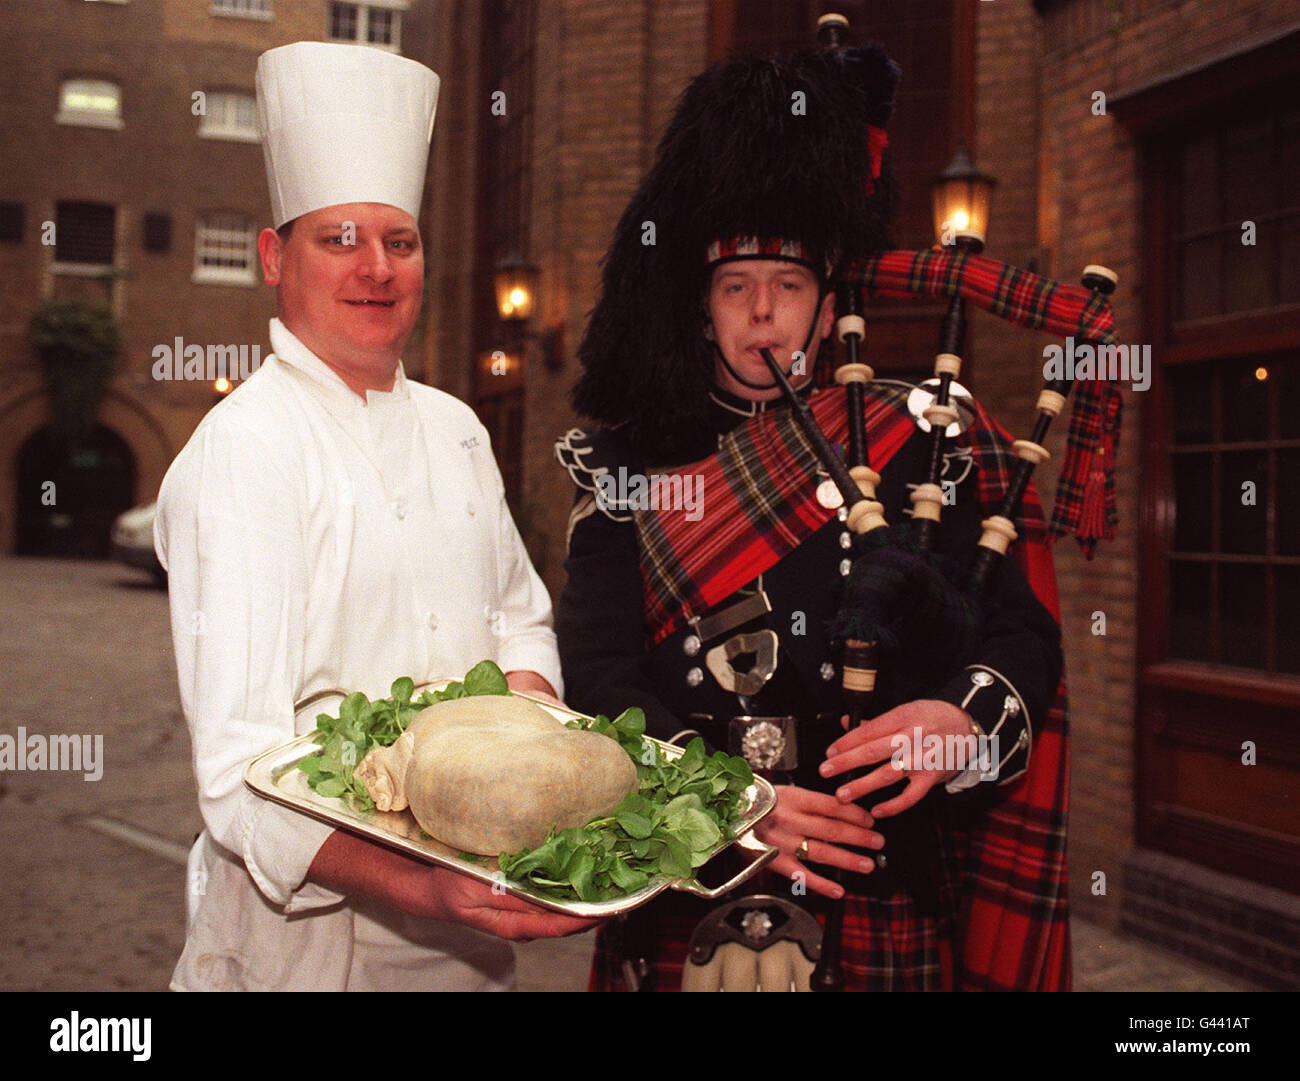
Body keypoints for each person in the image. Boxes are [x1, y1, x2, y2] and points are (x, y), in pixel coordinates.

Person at [555, 44, 1119, 991]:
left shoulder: (922, 436)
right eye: (736, 287)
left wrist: (955, 721)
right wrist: (732, 804)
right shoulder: (624, 465)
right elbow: (597, 678)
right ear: (702, 308)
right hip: (691, 881)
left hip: (881, 887)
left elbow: (1023, 631)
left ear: (827, 310)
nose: (763, 315)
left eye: (789, 287)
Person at [155, 41, 591, 992]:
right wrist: (421, 884)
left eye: (399, 240)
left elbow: (519, 612)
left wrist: (523, 733)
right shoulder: (247, 448)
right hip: (306, 947)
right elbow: (238, 771)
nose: (376, 268)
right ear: (275, 256)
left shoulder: (459, 429)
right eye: (339, 238)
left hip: (469, 942)